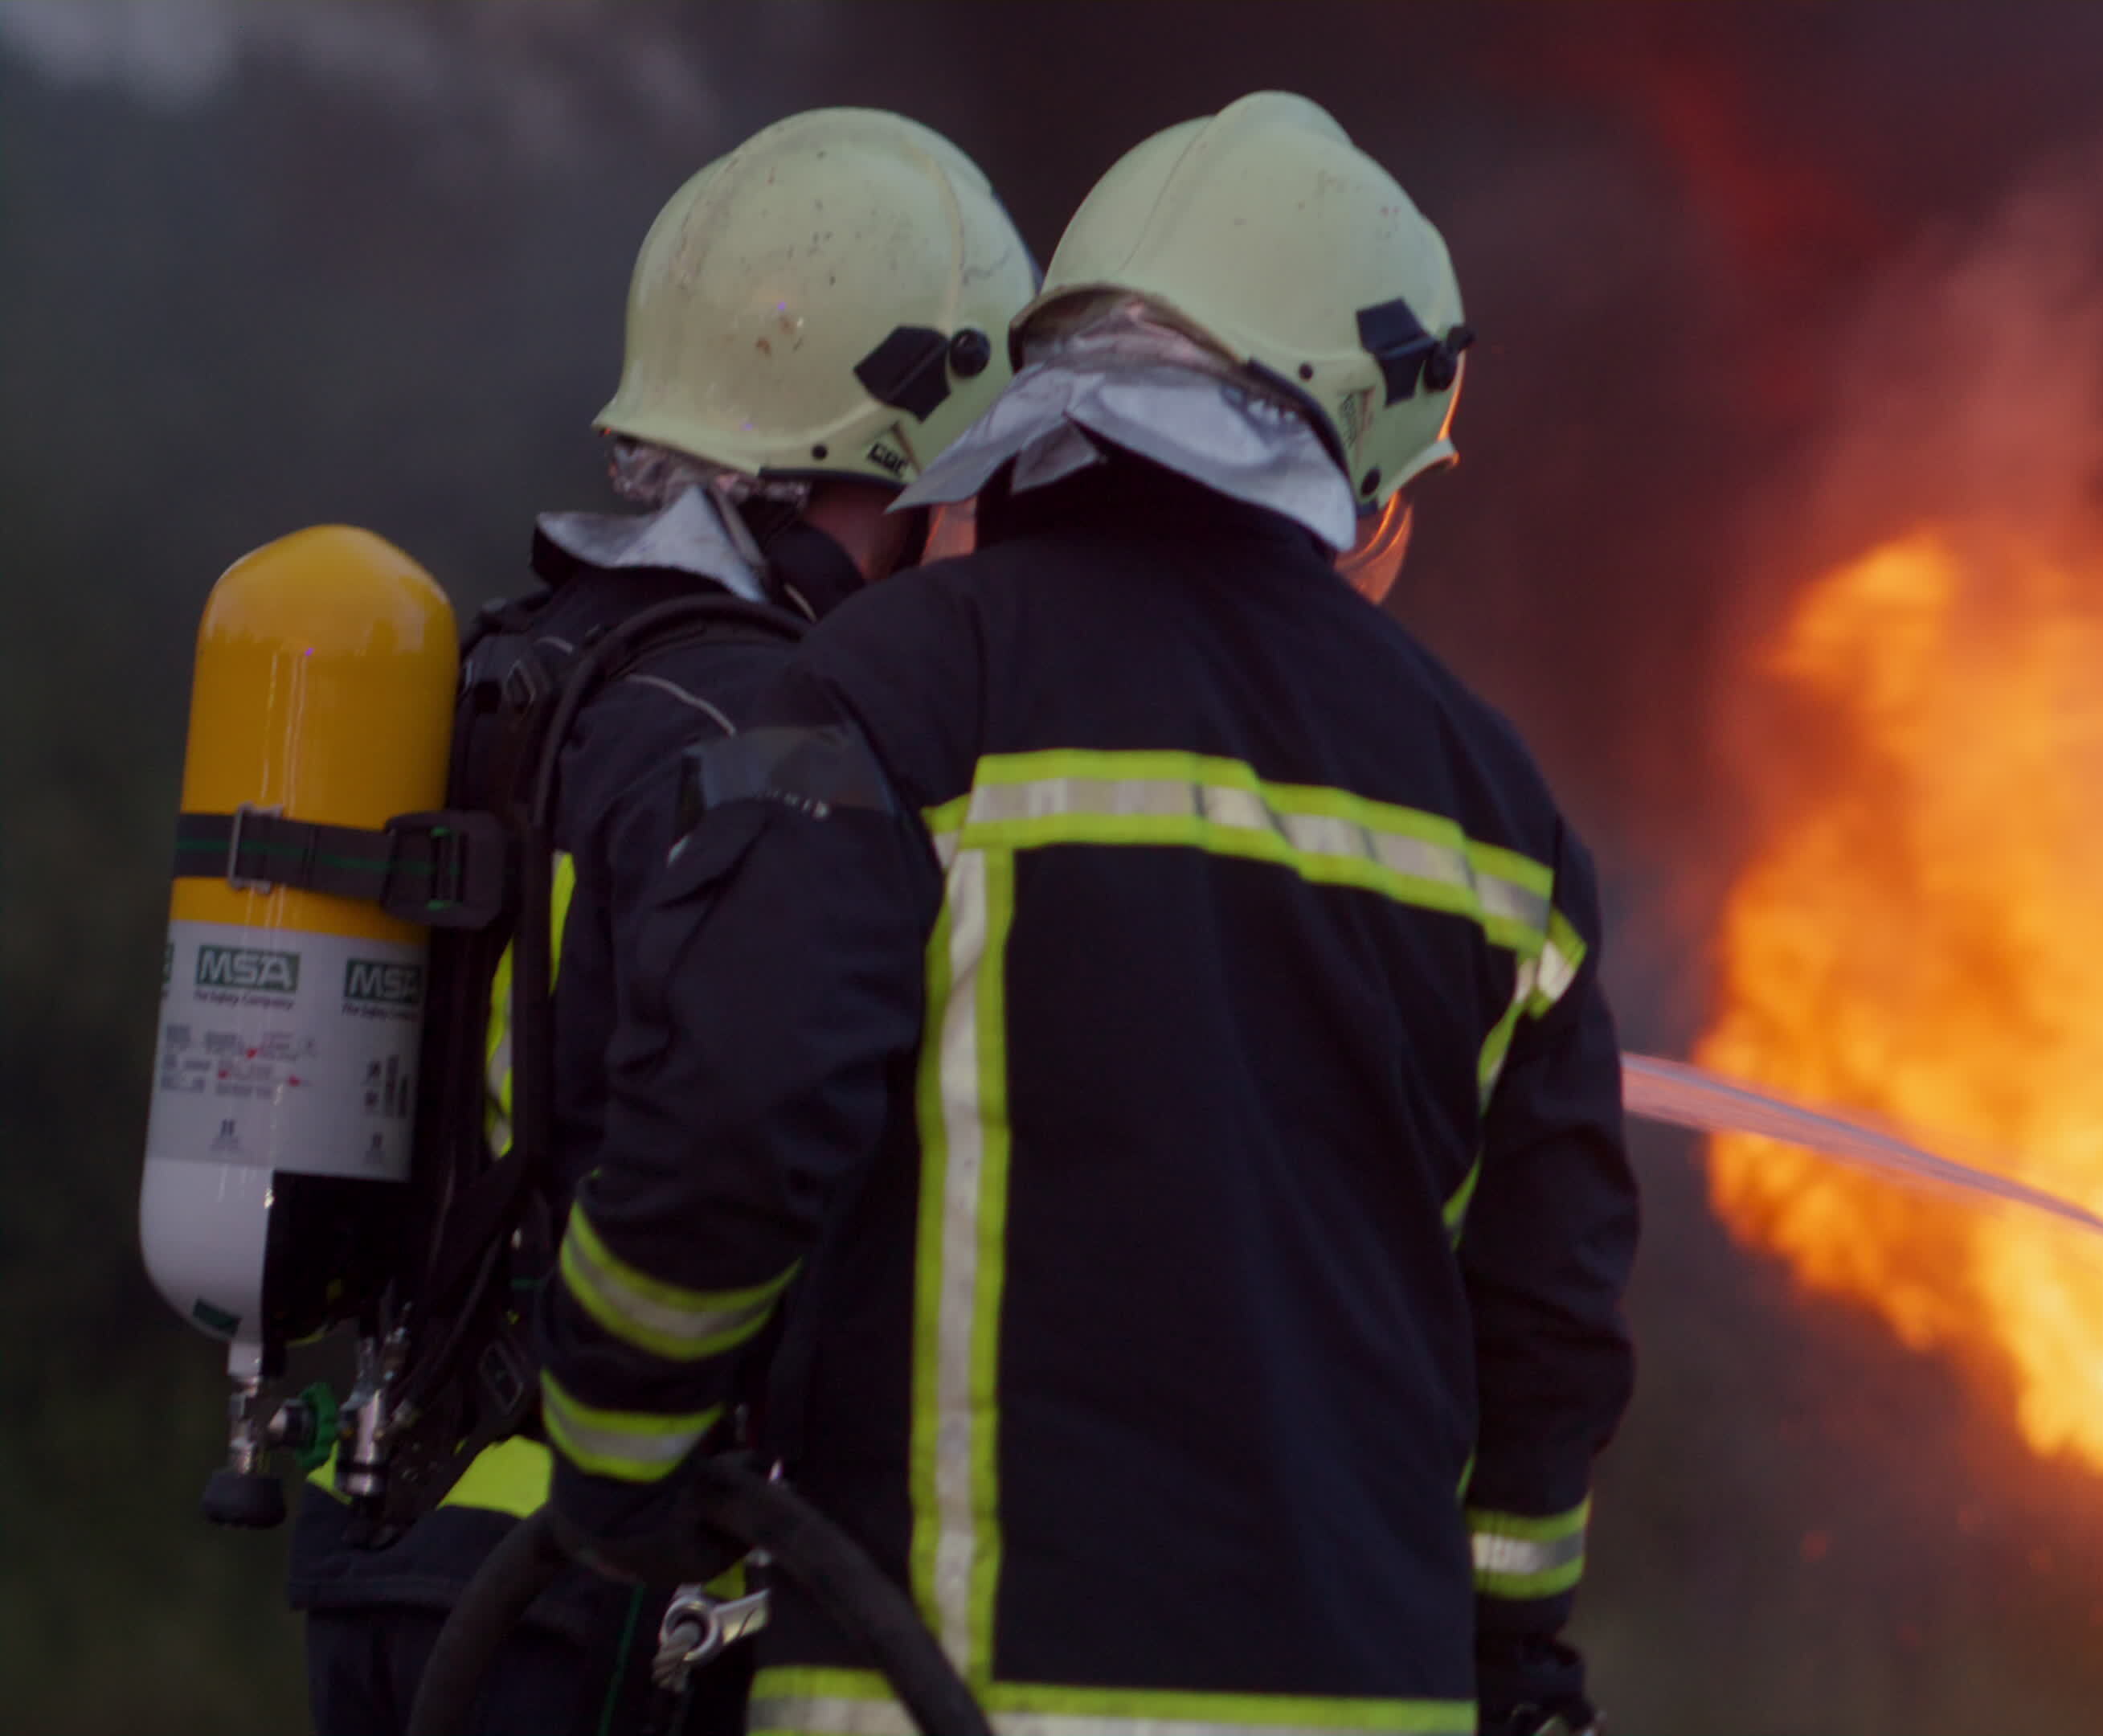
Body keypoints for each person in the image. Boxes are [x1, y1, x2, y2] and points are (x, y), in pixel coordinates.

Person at [537, 91, 1639, 1736]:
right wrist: (1515, 1658)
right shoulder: (1500, 809)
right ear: (1355, 445)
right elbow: (1546, 1330)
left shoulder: (877, 690)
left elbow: (735, 1100)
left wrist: (617, 1453)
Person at [284, 107, 1034, 1736]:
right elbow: (754, 1105)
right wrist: (629, 1442)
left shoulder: (545, 669)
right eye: (983, 484)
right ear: (900, 456)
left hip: (404, 1539)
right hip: (594, 1583)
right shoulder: (776, 732)